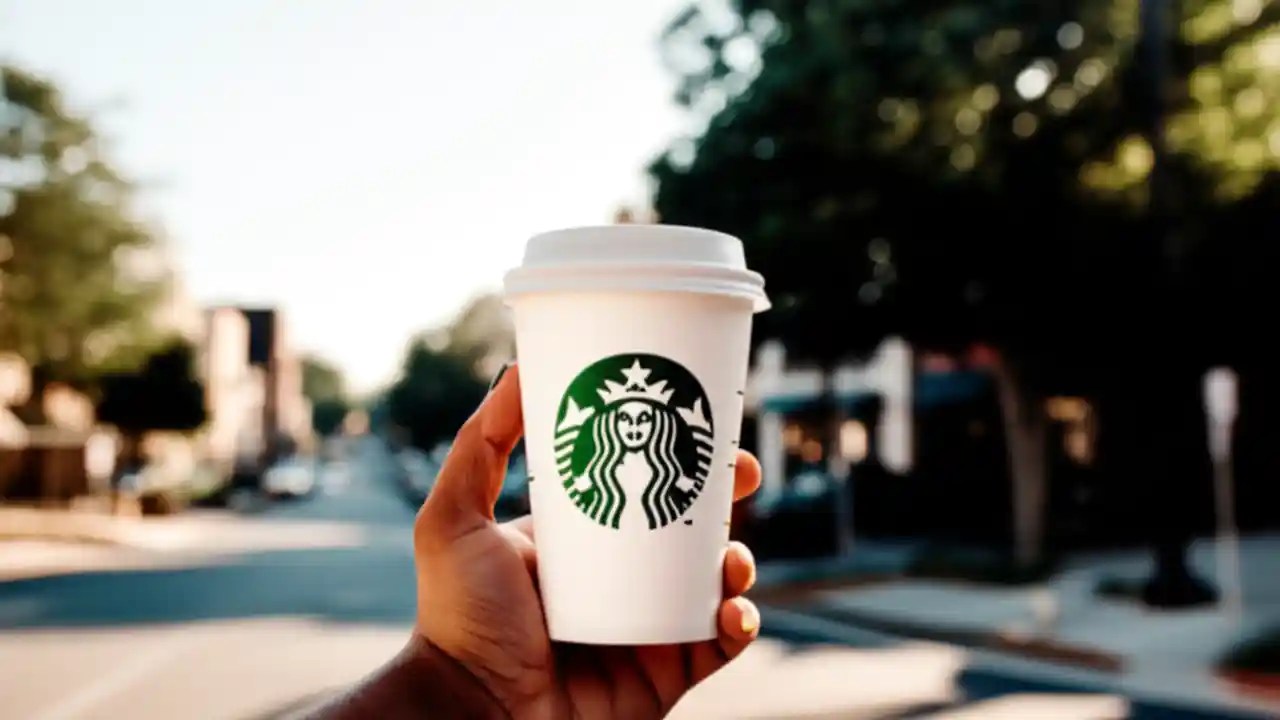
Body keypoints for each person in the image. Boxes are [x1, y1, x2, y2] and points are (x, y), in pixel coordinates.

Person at [309, 365, 762, 719]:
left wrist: (460, 689)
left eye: (646, 417)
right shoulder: (600, 474)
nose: (634, 427)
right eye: (624, 416)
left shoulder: (670, 476)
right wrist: (460, 682)